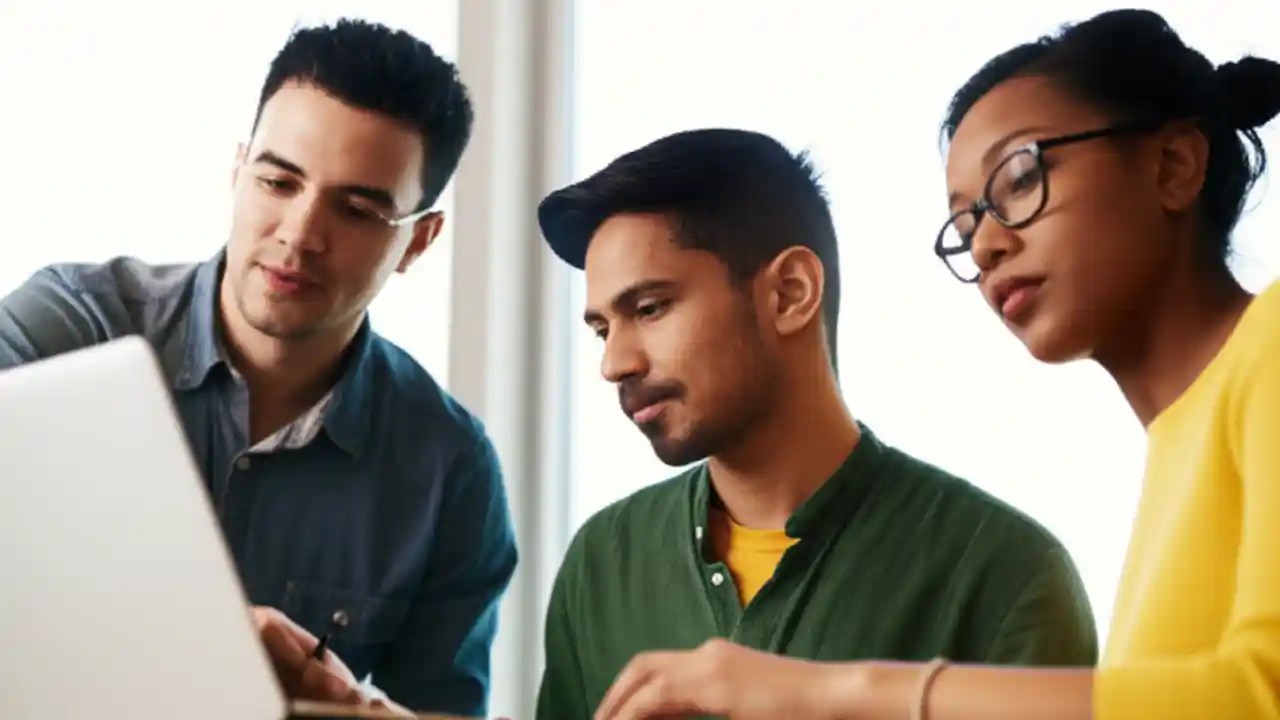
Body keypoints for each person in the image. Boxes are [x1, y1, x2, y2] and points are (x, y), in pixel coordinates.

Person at [586, 10, 1280, 720]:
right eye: (967, 222)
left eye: (1020, 179)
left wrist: (826, 690)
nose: (985, 246)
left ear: (1173, 165)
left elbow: (1259, 696)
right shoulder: (1184, 440)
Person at [0, 19, 516, 717]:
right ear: (238, 172)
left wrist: (343, 698)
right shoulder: (65, 327)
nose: (298, 235)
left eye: (356, 210)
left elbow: (437, 711)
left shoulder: (450, 471)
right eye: (277, 181)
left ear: (418, 242)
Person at [534, 127, 1099, 720]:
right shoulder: (601, 562)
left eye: (649, 309)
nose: (614, 363)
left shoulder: (1003, 573)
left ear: (790, 293)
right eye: (602, 330)